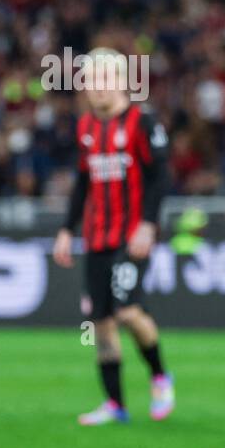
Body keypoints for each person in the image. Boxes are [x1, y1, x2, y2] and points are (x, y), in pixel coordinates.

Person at [52, 48, 174, 426]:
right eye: (91, 81)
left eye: (105, 80)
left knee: (128, 311)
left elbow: (160, 177)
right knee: (101, 323)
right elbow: (84, 181)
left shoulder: (143, 122)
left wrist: (148, 225)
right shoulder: (86, 127)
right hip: (96, 239)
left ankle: (159, 376)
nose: (98, 88)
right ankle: (116, 405)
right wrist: (65, 230)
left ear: (122, 82)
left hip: (131, 236)